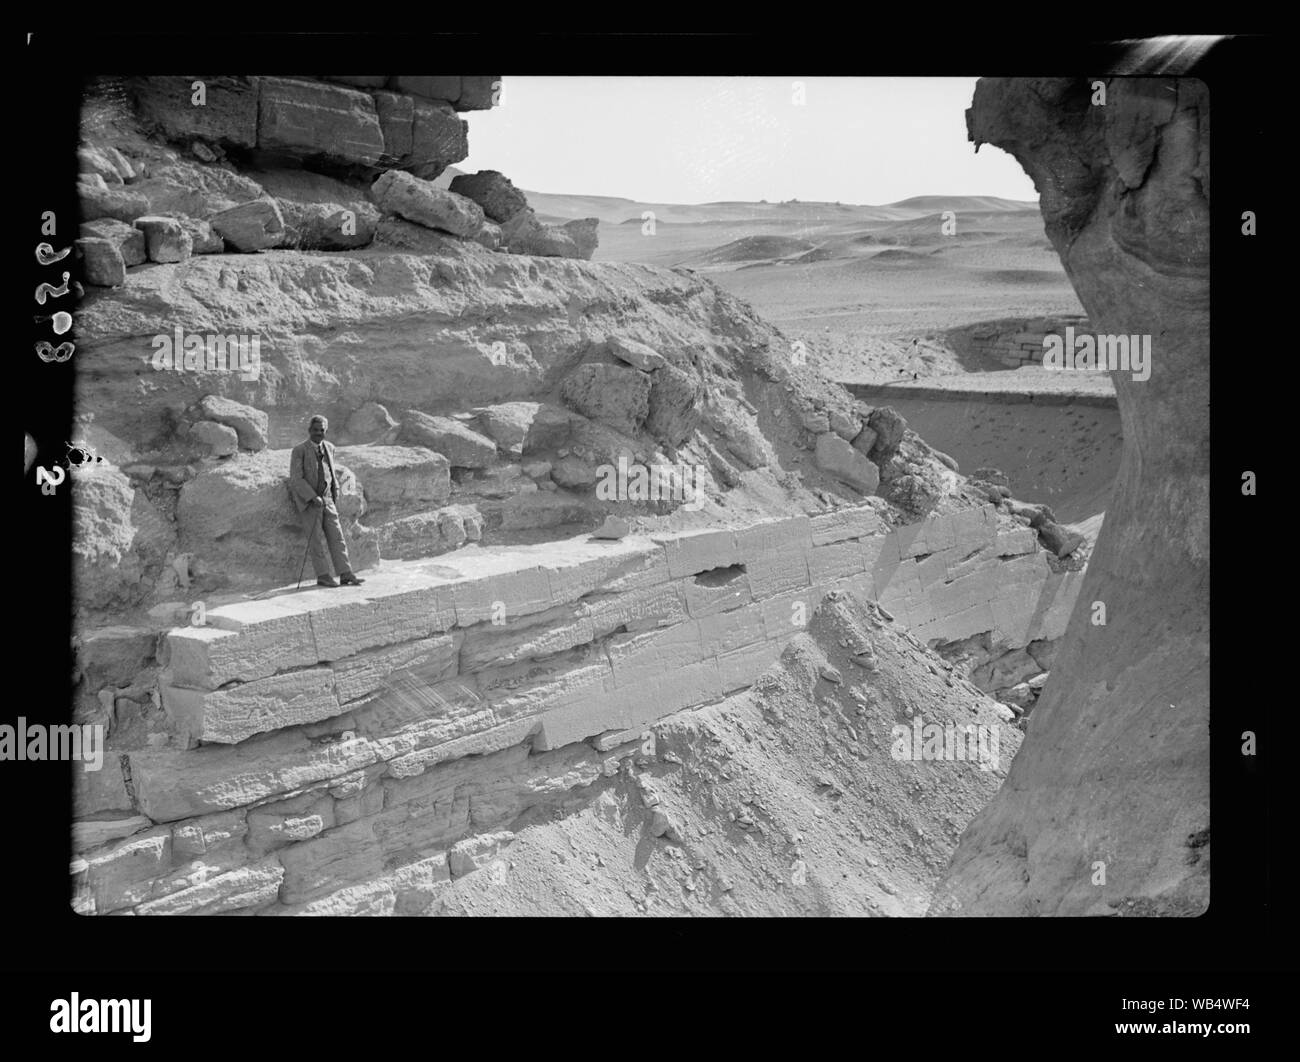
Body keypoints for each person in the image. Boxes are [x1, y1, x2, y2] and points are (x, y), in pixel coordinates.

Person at [288, 414, 365, 588]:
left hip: (328, 500)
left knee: (337, 537)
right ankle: (323, 575)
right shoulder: (299, 450)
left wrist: (333, 493)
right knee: (315, 540)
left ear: (326, 431)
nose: (318, 433)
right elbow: (296, 478)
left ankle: (346, 573)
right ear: (309, 430)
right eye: (315, 430)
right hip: (310, 503)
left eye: (322, 430)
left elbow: (330, 472)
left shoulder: (329, 447)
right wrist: (312, 496)